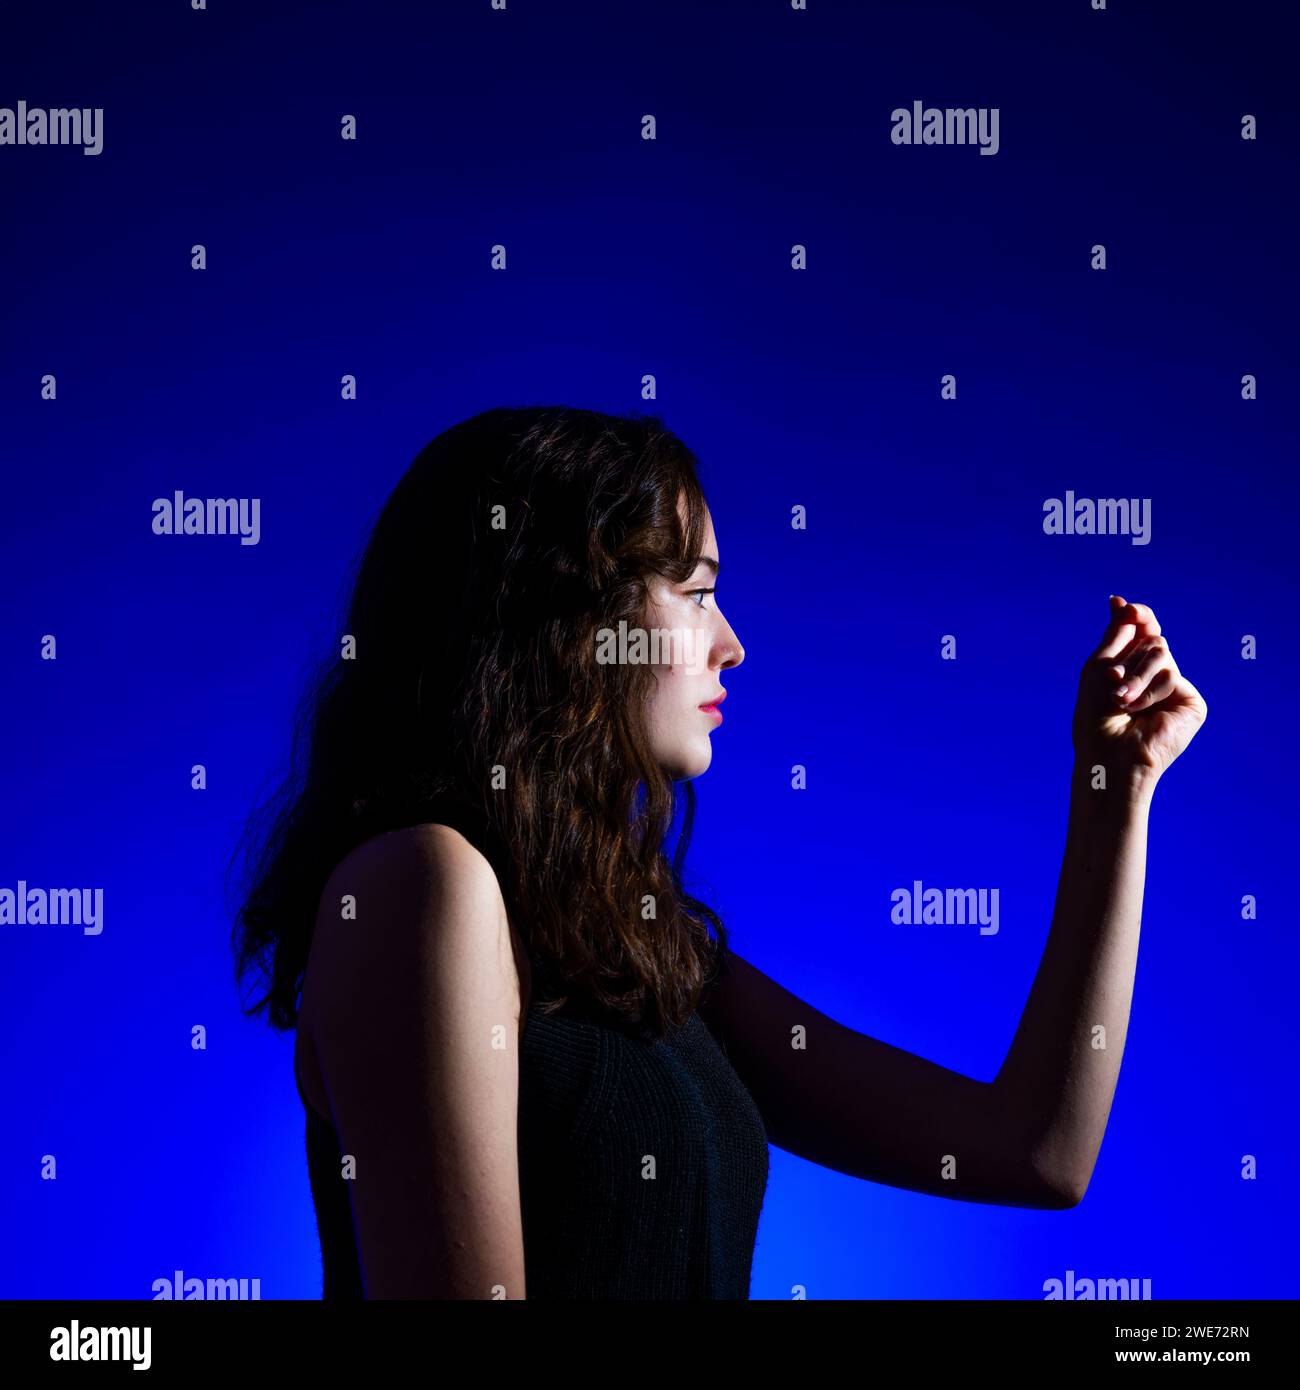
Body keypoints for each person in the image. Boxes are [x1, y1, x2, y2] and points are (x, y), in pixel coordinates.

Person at [232, 405, 1208, 1299]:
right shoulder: (416, 886)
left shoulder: (639, 947)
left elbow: (1033, 1150)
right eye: (696, 591)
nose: (731, 643)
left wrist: (1115, 791)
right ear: (567, 609)